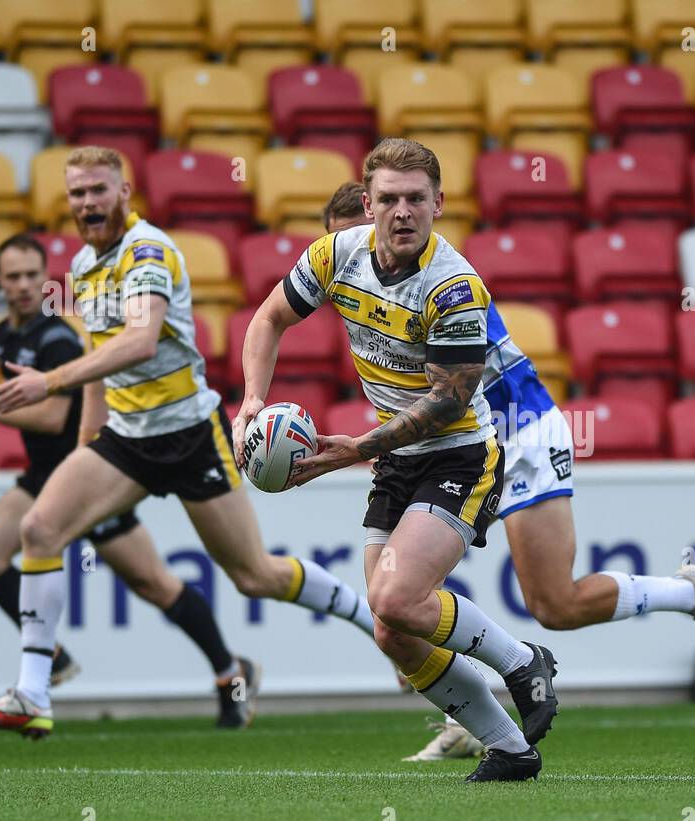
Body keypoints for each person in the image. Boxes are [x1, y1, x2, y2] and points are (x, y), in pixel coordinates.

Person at [322, 182, 695, 762]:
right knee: (398, 611)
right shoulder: (358, 282)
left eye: (354, 240)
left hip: (516, 430)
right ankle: (474, 719)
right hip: (435, 449)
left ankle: (686, 594)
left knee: (555, 604)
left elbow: (447, 392)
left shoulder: (434, 275)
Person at [0, 146, 374, 739]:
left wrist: (48, 382)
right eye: (76, 193)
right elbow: (103, 366)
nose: (86, 203)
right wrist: (85, 448)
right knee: (39, 530)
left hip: (188, 434)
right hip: (126, 440)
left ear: (123, 192)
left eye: (97, 190)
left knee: (254, 575)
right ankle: (32, 691)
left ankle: (369, 621)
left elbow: (141, 340)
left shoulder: (148, 251)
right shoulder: (81, 267)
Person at [235, 139, 560, 782]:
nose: (402, 211)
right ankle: (512, 749)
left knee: (396, 596)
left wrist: (356, 449)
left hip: (460, 454)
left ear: (439, 204)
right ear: (368, 201)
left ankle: (523, 662)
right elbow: (269, 319)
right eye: (388, 199)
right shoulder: (335, 255)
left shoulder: (455, 285)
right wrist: (250, 399)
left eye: (416, 199)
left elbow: (449, 400)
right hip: (395, 456)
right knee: (391, 630)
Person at [0, 234, 260, 727]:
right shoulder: (3, 334)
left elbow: (51, 417)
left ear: (45, 278)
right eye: (14, 276)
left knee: (154, 583)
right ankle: (51, 663)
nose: (24, 285)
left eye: (32, 275)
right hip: (46, 478)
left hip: (92, 474)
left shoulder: (58, 340)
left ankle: (231, 671)